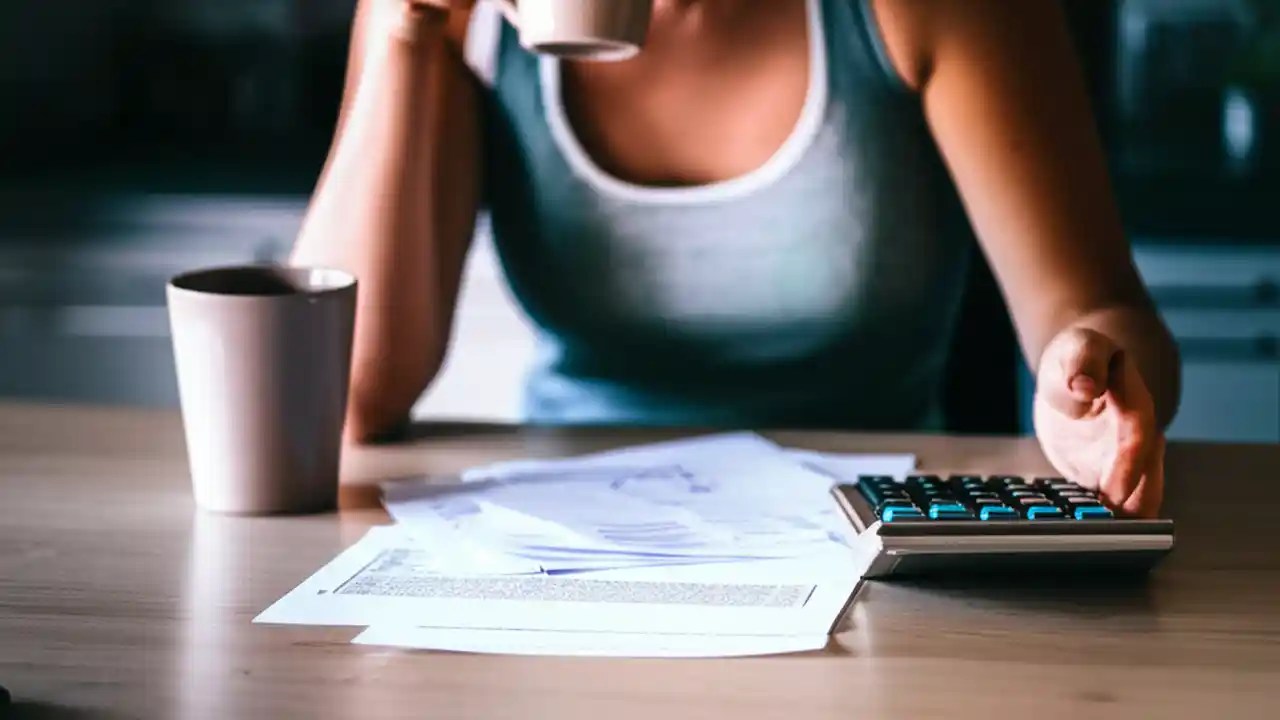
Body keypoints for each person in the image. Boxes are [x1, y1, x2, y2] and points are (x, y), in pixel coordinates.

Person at [292, 0, 1180, 517]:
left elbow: (1098, 306)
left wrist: (1092, 386)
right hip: (562, 537)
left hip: (876, 534)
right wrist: (406, 30)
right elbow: (349, 394)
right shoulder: (459, 22)